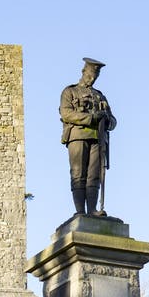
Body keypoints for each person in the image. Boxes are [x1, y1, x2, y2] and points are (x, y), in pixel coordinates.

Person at [60, 58, 117, 216]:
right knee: (78, 173)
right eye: (91, 74)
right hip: (77, 136)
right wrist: (91, 118)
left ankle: (92, 210)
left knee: (95, 175)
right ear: (84, 72)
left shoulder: (100, 96)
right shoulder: (70, 92)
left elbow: (113, 121)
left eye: (95, 76)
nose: (92, 78)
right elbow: (66, 113)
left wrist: (106, 120)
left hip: (98, 138)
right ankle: (80, 211)